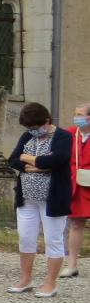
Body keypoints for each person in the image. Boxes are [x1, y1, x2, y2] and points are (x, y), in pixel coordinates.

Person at [7, 102, 72, 298]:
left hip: (53, 199)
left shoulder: (63, 136)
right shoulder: (27, 136)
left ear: (46, 121)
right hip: (27, 198)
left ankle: (50, 283)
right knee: (26, 237)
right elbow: (13, 159)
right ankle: (25, 279)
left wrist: (28, 158)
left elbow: (56, 160)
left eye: (35, 127)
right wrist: (36, 164)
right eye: (29, 128)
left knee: (53, 239)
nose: (32, 131)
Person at [62, 103, 90, 278]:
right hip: (77, 184)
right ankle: (72, 265)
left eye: (80, 114)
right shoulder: (70, 133)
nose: (76, 117)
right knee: (75, 224)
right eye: (75, 114)